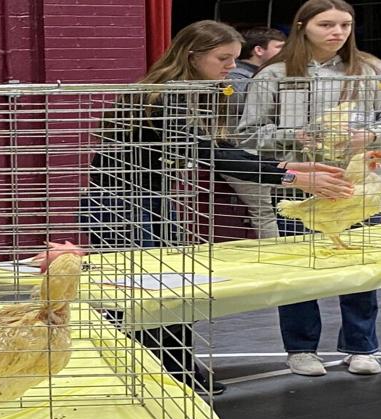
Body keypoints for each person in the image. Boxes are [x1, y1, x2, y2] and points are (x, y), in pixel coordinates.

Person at [82, 19, 355, 396]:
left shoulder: (186, 91)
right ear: (192, 55)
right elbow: (209, 153)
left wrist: (289, 167)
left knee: (168, 290)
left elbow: (218, 149)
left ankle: (174, 369)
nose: (231, 66)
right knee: (141, 294)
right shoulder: (163, 95)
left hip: (151, 201)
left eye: (235, 58)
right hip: (122, 204)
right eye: (222, 57)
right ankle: (147, 374)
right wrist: (292, 179)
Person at [235, 0, 381, 376]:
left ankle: (361, 346)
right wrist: (294, 135)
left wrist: (371, 133)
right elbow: (249, 135)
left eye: (345, 25)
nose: (338, 32)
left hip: (361, 187)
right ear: (302, 26)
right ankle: (301, 348)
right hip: (300, 186)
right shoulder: (276, 75)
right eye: (326, 25)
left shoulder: (374, 70)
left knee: (360, 268)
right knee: (301, 270)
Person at [224, 25, 287, 239]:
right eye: (279, 47)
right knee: (264, 211)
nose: (285, 52)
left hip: (255, 151)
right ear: (259, 50)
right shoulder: (238, 79)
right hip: (239, 150)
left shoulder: (256, 76)